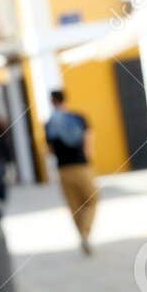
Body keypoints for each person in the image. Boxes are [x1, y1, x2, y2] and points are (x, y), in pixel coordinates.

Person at [45, 90, 98, 255]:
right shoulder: (78, 118)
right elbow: (88, 142)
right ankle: (86, 232)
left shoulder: (49, 124)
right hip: (81, 166)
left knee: (74, 205)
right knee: (92, 200)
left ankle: (82, 235)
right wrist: (87, 160)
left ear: (51, 102)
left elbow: (50, 150)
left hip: (63, 168)